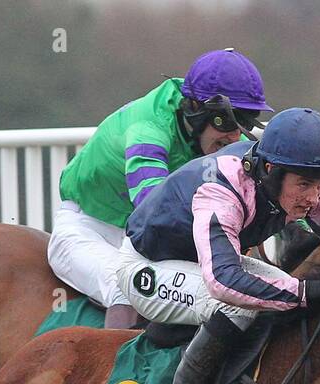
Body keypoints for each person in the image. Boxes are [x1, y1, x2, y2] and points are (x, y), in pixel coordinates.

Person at [115, 107, 320, 384]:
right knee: (241, 305)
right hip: (147, 268)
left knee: (272, 288)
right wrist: (308, 292)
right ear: (271, 171)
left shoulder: (289, 180)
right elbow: (224, 281)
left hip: (196, 262)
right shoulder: (221, 189)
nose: (313, 197)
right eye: (305, 185)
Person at [48, 48, 271, 330]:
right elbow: (155, 214)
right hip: (88, 231)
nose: (234, 136)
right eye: (226, 121)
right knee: (131, 284)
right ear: (195, 110)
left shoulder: (198, 129)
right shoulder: (149, 130)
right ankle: (113, 373)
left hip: (140, 238)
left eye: (243, 122)